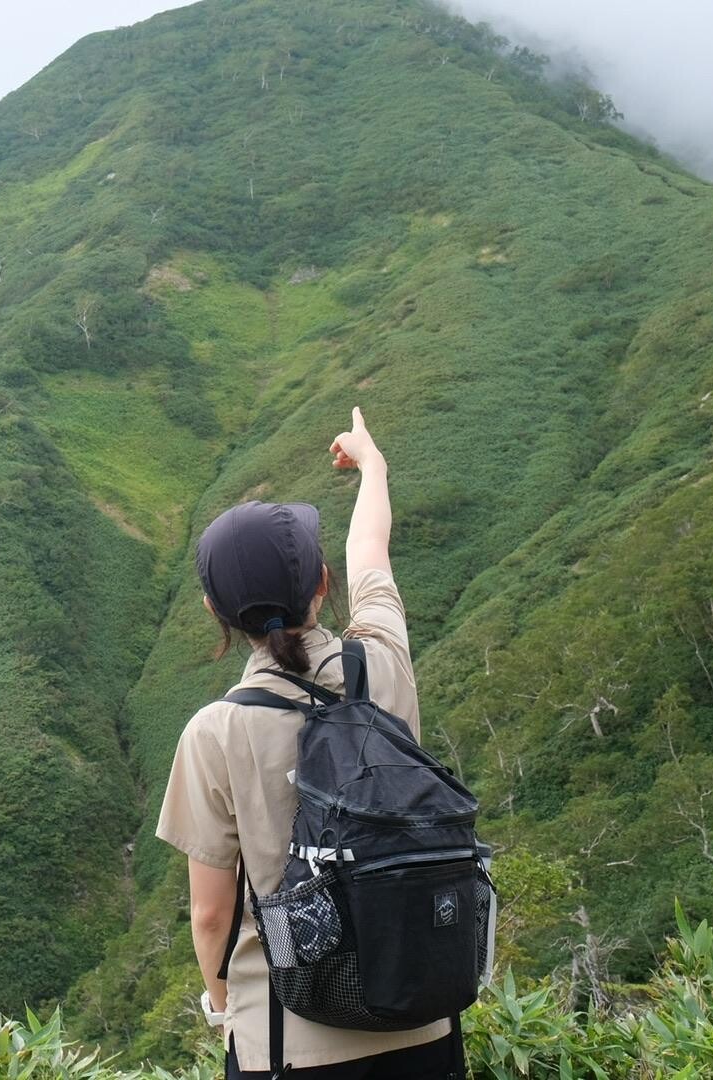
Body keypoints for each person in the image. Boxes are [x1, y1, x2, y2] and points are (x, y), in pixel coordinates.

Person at [156, 408, 458, 1078]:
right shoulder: (381, 664)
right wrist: (372, 467)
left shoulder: (214, 733)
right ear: (323, 584)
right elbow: (371, 554)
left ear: (216, 612)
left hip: (286, 1043)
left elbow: (210, 915)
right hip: (422, 1026)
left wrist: (221, 1003)